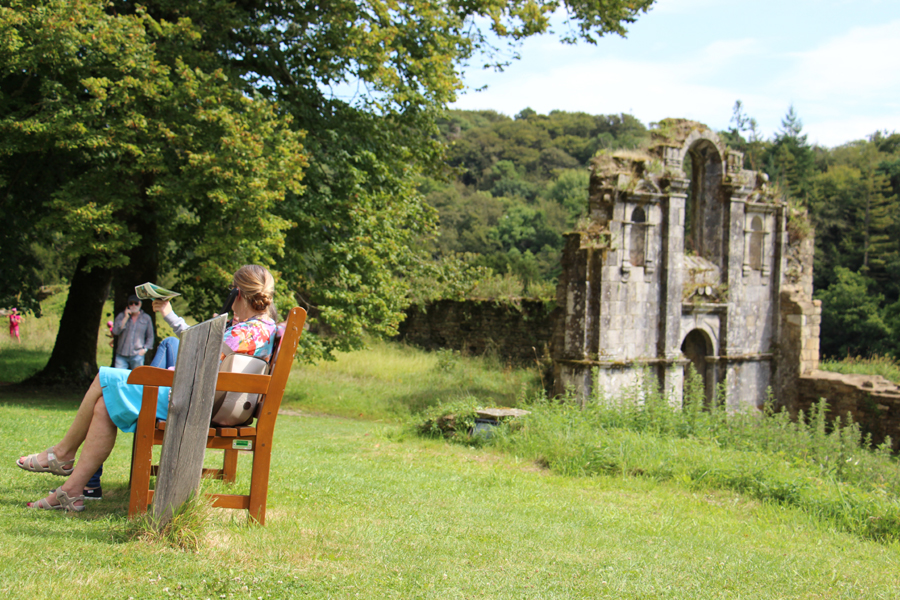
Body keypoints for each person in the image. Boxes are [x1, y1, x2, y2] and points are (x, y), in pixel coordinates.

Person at [16, 265, 278, 512]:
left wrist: (167, 367)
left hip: (194, 402)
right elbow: (202, 349)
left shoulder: (249, 331)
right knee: (103, 405)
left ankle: (62, 454)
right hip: (206, 399)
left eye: (230, 292)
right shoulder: (255, 328)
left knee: (103, 377)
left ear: (238, 293)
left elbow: (198, 352)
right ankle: (71, 490)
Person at [111, 295, 155, 369]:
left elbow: (150, 336)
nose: (133, 305)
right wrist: (125, 318)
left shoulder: (146, 318)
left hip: (137, 354)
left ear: (140, 304)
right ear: (128, 305)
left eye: (136, 303)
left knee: (136, 379)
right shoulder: (121, 316)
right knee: (119, 378)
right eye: (131, 303)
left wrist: (145, 349)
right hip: (121, 354)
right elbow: (115, 332)